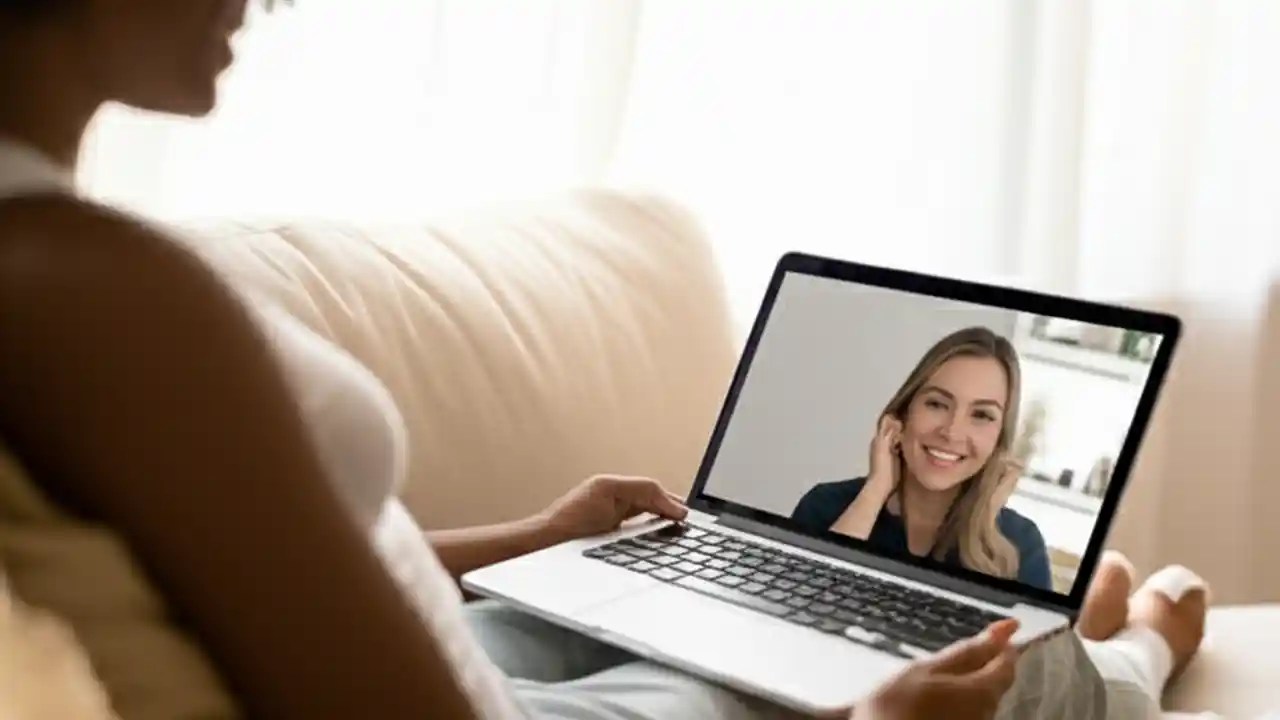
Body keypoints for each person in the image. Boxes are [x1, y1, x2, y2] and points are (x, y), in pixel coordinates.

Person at [0, 1, 1216, 719]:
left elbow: (257, 567)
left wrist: (535, 536)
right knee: (996, 663)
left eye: (981, 418)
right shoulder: (88, 285)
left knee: (874, 618)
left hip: (489, 649)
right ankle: (1137, 647)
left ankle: (1100, 622)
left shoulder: (71, 267)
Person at [791, 327, 1052, 591]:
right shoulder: (825, 506)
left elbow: (1010, 631)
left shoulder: (1021, 543)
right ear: (902, 416)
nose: (951, 432)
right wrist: (875, 491)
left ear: (999, 439)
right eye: (937, 404)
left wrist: (984, 520)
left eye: (981, 415)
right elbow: (799, 599)